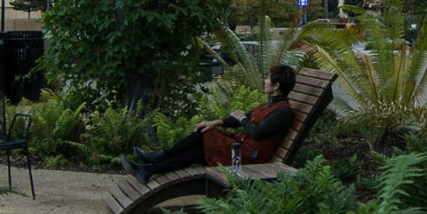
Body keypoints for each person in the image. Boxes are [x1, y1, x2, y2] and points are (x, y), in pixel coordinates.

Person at [123, 64, 297, 181]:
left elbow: (256, 132)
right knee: (199, 146)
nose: (265, 81)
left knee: (201, 138)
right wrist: (214, 122)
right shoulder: (269, 105)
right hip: (241, 148)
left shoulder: (282, 112)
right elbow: (237, 119)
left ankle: (154, 161)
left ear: (276, 86)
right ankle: (149, 169)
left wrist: (243, 118)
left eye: (268, 79)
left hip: (248, 156)